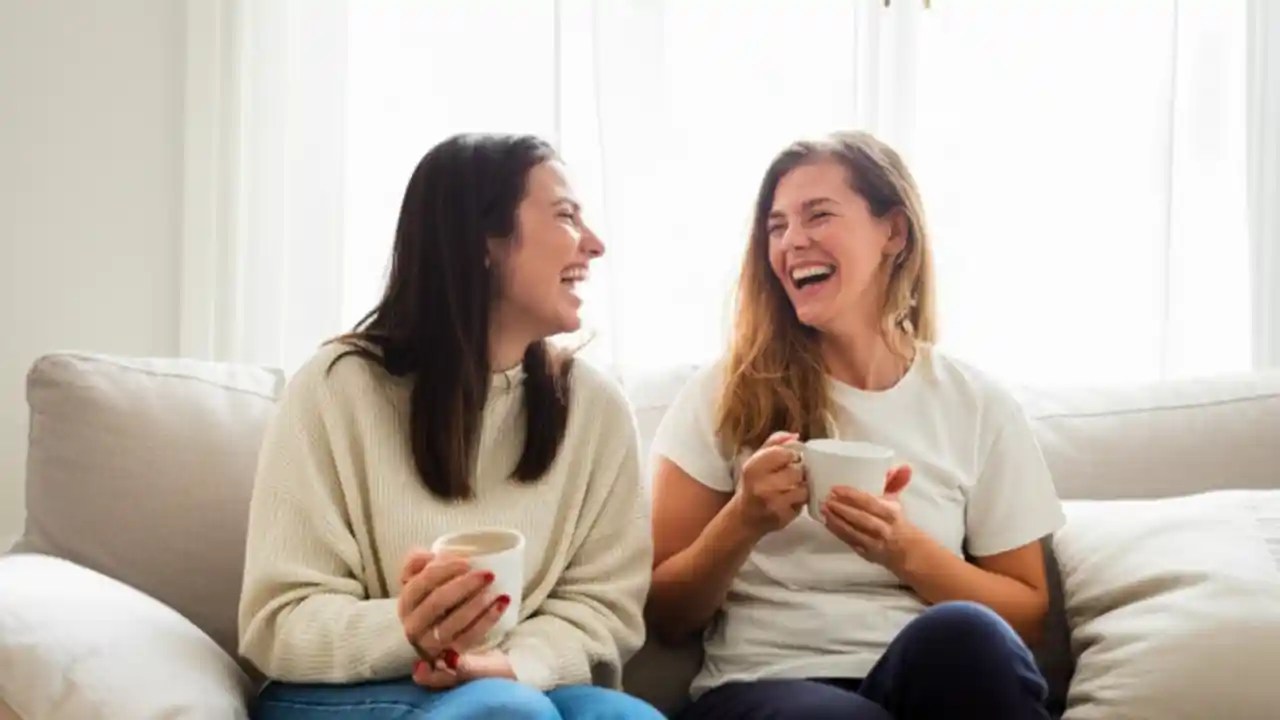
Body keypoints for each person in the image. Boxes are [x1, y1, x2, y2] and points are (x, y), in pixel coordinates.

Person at [238, 133, 662, 720]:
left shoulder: (595, 409)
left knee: (624, 719)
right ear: (482, 241)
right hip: (339, 691)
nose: (594, 245)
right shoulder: (337, 389)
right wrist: (407, 627)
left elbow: (604, 609)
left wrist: (514, 664)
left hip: (513, 684)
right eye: (565, 216)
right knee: (506, 713)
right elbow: (278, 620)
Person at [647, 131, 1065, 720]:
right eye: (776, 226)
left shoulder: (977, 405)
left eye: (818, 215)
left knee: (971, 637)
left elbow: (1027, 618)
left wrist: (903, 549)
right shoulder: (723, 394)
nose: (793, 241)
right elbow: (664, 614)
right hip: (766, 685)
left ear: (893, 231)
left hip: (921, 681)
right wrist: (741, 521)